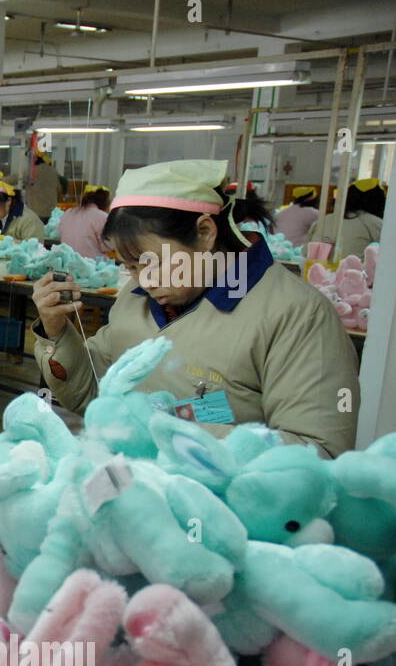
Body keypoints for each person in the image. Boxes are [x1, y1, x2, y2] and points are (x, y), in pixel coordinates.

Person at [32, 159, 359, 458]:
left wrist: (166, 426)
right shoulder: (137, 299)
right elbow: (93, 394)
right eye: (130, 266)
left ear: (205, 233)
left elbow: (318, 453)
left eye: (152, 264)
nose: (143, 281)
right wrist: (57, 332)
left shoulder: (296, 315)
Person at [307, 178, 386, 259]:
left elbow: (305, 252)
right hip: (355, 270)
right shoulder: (375, 223)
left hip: (315, 269)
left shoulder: (323, 220)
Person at [57, 185, 112, 258]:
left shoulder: (68, 212)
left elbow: (59, 233)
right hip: (92, 265)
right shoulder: (101, 216)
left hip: (67, 262)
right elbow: (106, 247)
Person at [23, 150, 60, 221]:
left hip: (37, 211)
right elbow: (58, 188)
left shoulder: (33, 171)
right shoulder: (53, 170)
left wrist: (0, 180)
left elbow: (18, 178)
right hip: (51, 211)